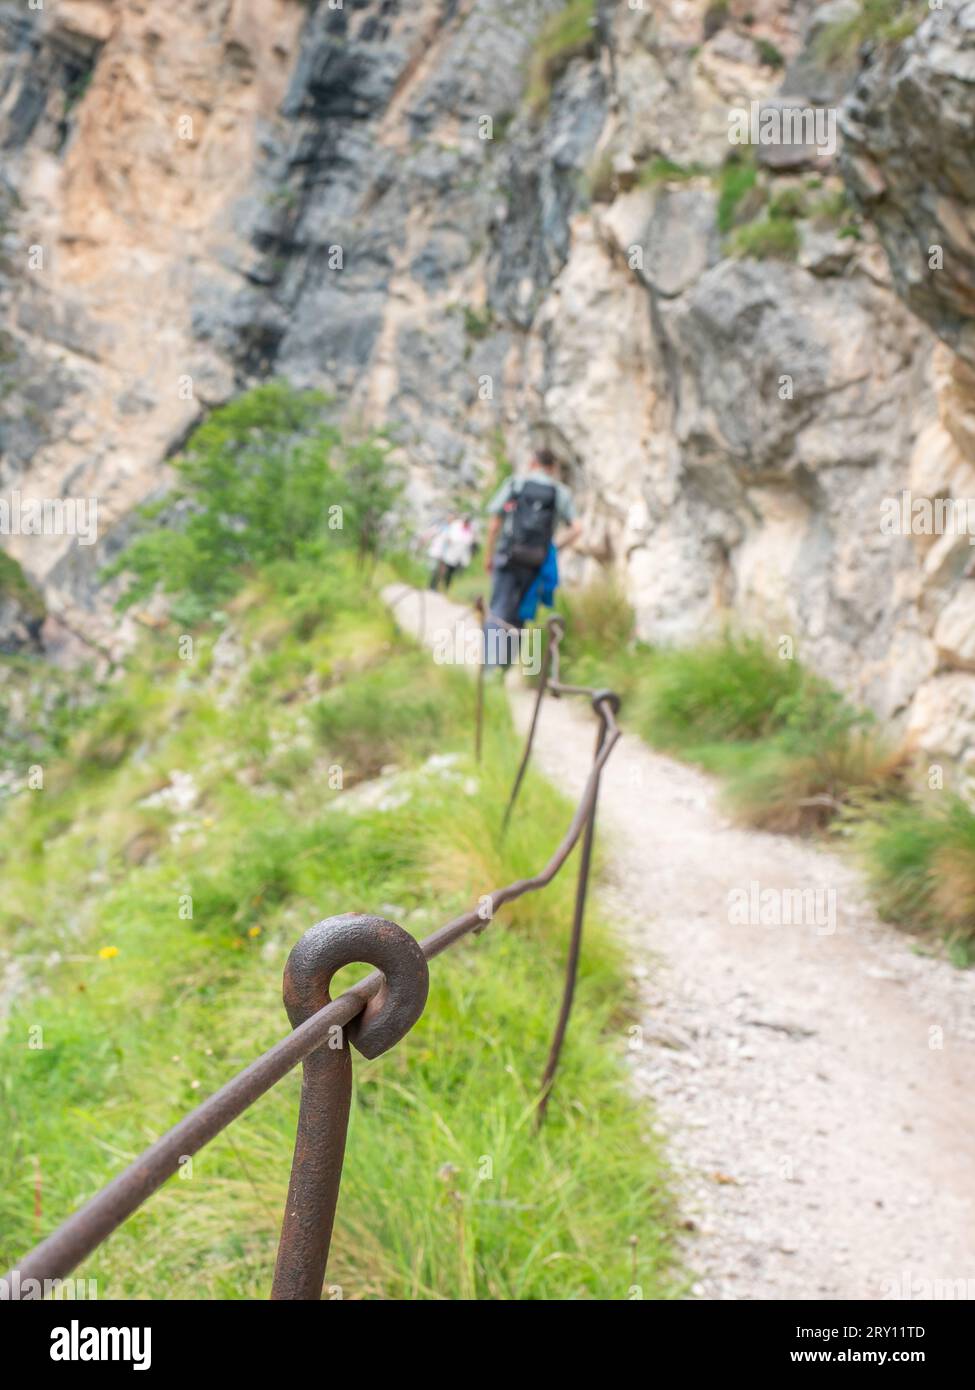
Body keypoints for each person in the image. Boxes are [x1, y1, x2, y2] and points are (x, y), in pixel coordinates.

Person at [483, 448, 581, 662]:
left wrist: (488, 555)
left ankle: (489, 668)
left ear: (533, 463)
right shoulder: (559, 492)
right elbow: (576, 528)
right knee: (521, 613)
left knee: (499, 606)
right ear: (552, 468)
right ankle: (505, 666)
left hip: (507, 555)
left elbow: (494, 523)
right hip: (536, 560)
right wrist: (554, 546)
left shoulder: (516, 483)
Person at [429, 514, 475, 592]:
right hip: (446, 552)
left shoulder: (470, 530)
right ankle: (433, 586)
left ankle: (444, 587)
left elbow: (468, 543)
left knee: (449, 572)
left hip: (457, 556)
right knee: (439, 569)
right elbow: (448, 538)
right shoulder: (456, 526)